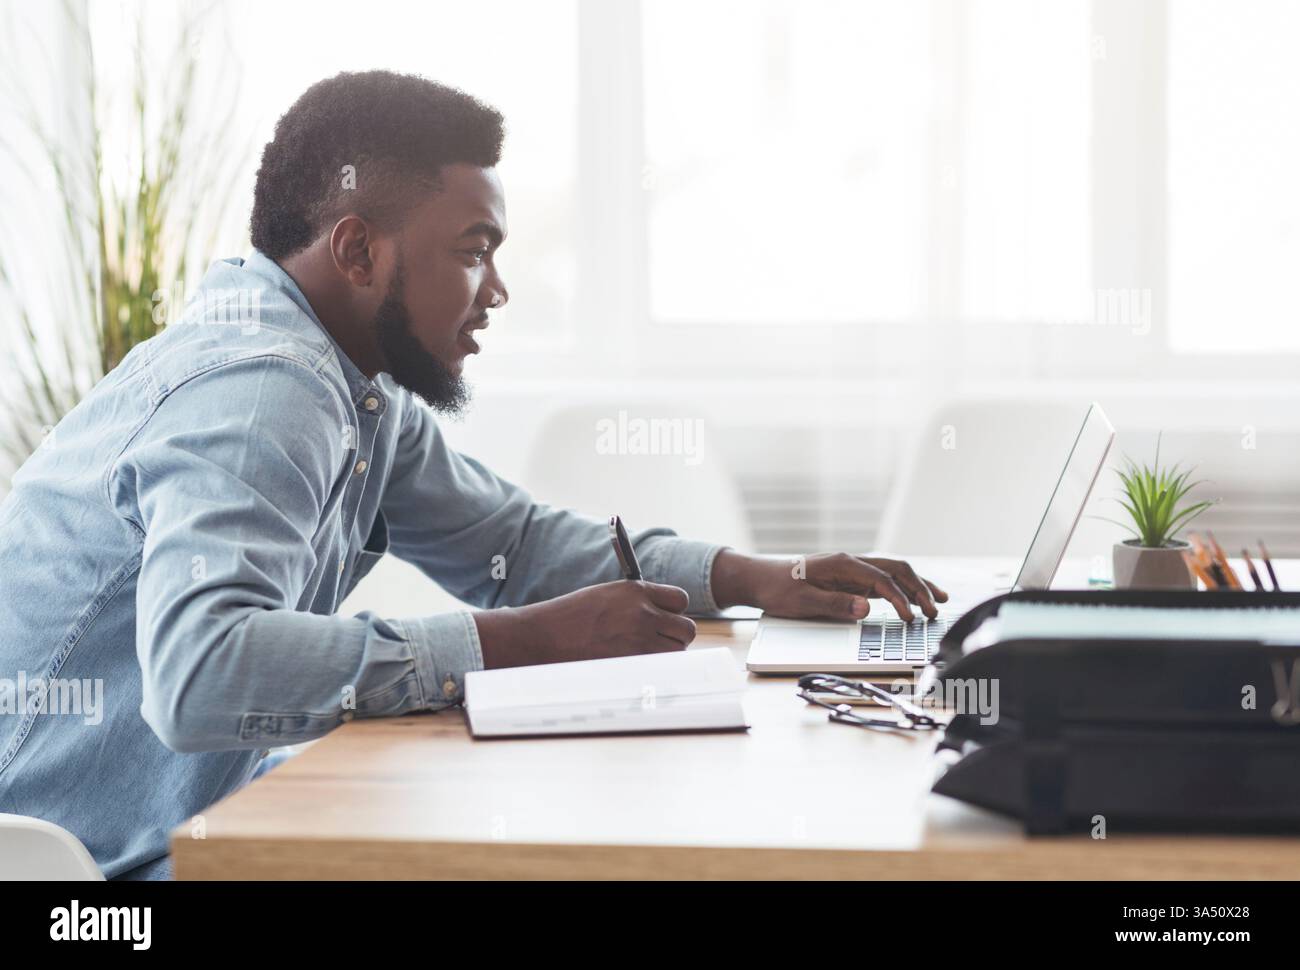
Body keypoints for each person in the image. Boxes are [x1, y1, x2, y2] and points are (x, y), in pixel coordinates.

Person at [0, 71, 945, 880]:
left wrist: (752, 577)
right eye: (473, 250)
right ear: (359, 248)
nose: (496, 290)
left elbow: (518, 545)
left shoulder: (354, 389)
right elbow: (200, 678)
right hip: (73, 867)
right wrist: (517, 642)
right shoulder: (262, 391)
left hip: (160, 835)